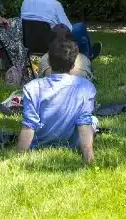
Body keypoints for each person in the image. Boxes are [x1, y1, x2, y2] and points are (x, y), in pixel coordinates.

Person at [15, 25, 97, 164]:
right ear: (73, 65)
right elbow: (84, 122)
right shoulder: (87, 87)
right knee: (93, 120)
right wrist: (89, 158)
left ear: (49, 61)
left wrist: (18, 156)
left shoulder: (32, 87)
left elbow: (29, 125)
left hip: (38, 142)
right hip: (70, 142)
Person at [20, 0, 101, 60]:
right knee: (80, 27)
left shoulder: (25, 2)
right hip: (52, 45)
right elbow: (68, 28)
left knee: (80, 35)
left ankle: (88, 55)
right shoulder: (54, 4)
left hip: (30, 44)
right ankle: (88, 57)